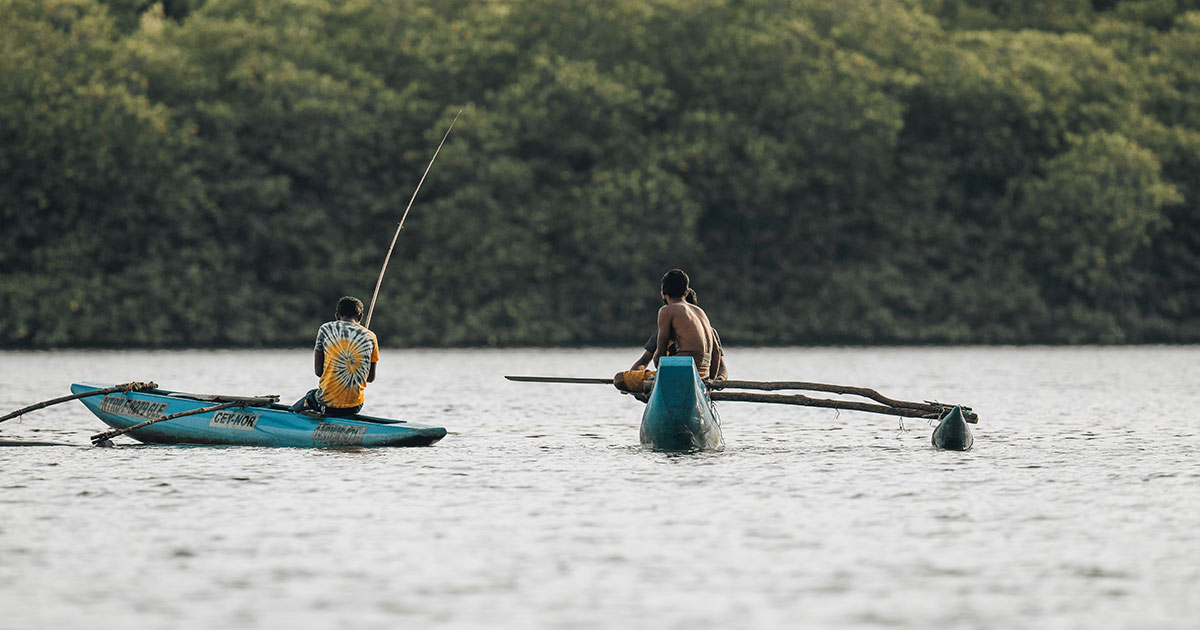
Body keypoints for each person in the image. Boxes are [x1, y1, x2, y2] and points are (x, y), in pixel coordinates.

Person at [614, 272, 727, 394]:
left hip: (680, 375)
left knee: (619, 379)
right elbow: (715, 355)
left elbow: (660, 357)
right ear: (686, 292)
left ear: (663, 291)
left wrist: (658, 376)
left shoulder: (667, 311)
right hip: (701, 378)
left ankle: (648, 397)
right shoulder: (701, 313)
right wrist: (709, 386)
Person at [291, 296, 379, 417]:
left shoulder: (325, 329)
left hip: (326, 403)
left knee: (311, 396)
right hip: (355, 406)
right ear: (360, 317)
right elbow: (370, 378)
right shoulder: (371, 336)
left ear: (337, 316)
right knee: (316, 397)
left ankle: (293, 416)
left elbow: (318, 372)